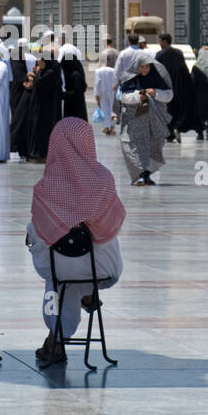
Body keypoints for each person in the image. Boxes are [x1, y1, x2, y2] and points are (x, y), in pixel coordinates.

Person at [27, 118, 126, 364]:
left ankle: (55, 339)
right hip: (102, 269)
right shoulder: (103, 181)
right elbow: (114, 224)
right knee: (104, 232)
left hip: (56, 269)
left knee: (57, 277)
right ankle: (88, 293)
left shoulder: (45, 187)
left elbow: (38, 234)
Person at [118, 50, 173, 185]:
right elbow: (123, 96)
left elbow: (169, 95)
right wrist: (138, 96)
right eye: (142, 67)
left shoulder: (157, 78)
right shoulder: (129, 79)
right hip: (134, 121)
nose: (145, 69)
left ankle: (146, 174)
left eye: (147, 66)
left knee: (154, 146)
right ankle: (139, 175)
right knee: (133, 146)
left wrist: (156, 93)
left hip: (153, 121)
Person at [156, 33, 200, 142]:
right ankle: (177, 129)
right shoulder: (178, 53)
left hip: (168, 88)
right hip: (182, 87)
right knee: (180, 110)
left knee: (170, 110)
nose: (159, 43)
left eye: (160, 41)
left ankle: (171, 133)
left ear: (165, 41)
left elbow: (157, 71)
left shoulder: (160, 54)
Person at [27, 56, 63, 161]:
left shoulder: (50, 73)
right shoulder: (44, 72)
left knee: (44, 131)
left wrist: (33, 77)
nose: (39, 64)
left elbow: (39, 84)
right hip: (40, 108)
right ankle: (39, 153)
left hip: (47, 110)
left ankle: (44, 155)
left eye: (40, 62)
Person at [60, 46, 89, 122]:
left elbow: (75, 92)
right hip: (73, 107)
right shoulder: (73, 73)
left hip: (75, 109)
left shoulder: (75, 75)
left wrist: (63, 95)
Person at [93, 56, 118, 135]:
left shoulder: (98, 71)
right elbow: (116, 81)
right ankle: (112, 127)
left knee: (105, 110)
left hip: (102, 92)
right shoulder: (113, 70)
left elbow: (97, 83)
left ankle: (106, 127)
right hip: (112, 91)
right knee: (111, 109)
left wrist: (96, 94)